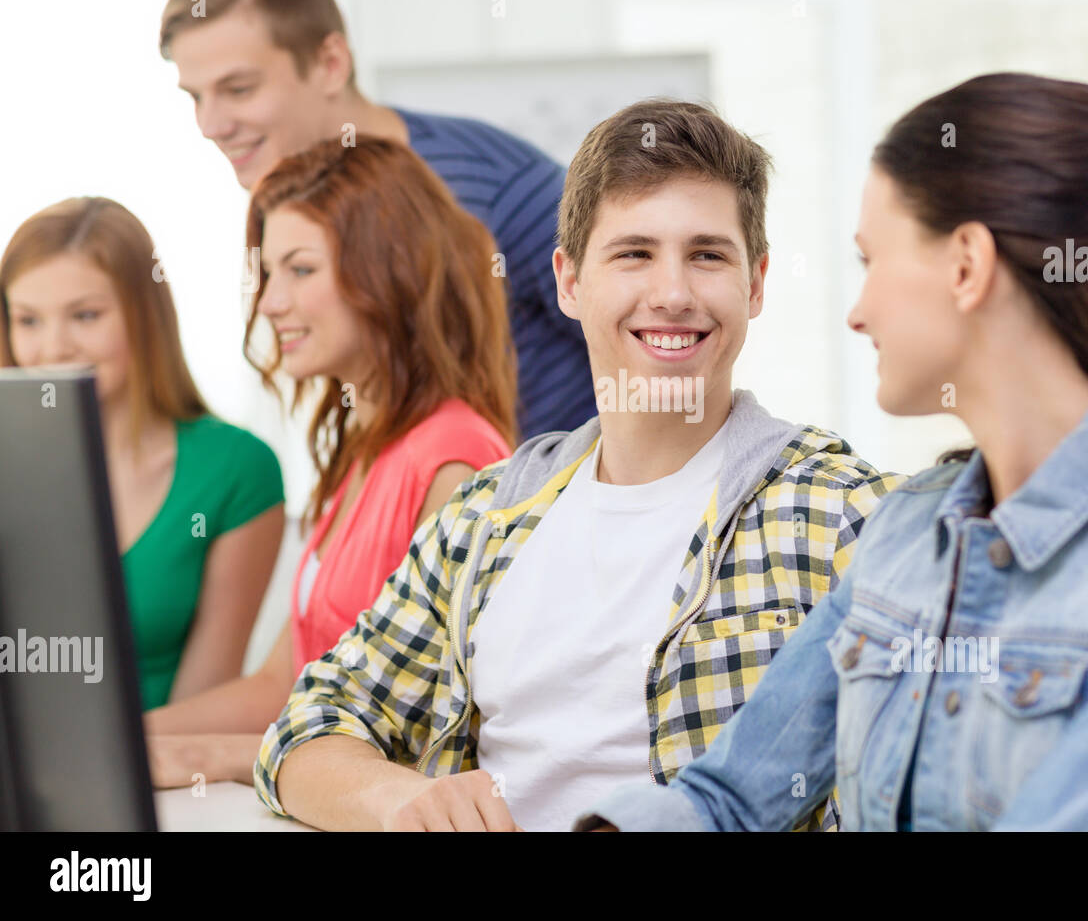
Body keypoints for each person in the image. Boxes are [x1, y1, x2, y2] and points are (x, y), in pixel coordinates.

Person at [574, 73, 1088, 832]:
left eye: (869, 262)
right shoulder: (906, 533)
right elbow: (726, 802)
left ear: (965, 266)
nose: (858, 313)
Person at [252, 99, 902, 831]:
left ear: (754, 285)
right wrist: (401, 797)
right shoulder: (484, 520)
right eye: (634, 254)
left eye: (707, 255)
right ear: (568, 282)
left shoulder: (839, 514)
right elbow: (306, 726)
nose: (673, 293)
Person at [144, 136, 515, 788]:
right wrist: (126, 735)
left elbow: (422, 735)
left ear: (388, 271)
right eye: (268, 273)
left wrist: (209, 757)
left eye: (301, 270)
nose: (269, 302)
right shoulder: (362, 450)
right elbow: (281, 683)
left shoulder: (456, 461)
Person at [158, 0, 593, 438]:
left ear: (330, 64)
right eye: (195, 97)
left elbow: (649, 359)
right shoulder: (291, 207)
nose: (210, 124)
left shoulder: (501, 186)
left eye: (238, 89)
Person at [1, 197, 285, 712]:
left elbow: (204, 707)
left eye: (85, 315)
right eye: (28, 320)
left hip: (157, 780)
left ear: (144, 316)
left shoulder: (236, 470)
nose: (53, 348)